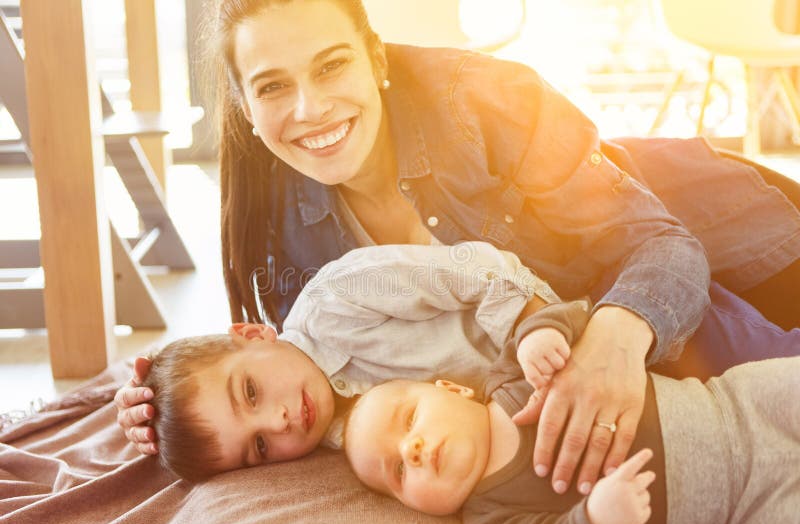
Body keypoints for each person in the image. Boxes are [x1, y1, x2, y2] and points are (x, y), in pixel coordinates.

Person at [118, 0, 800, 494]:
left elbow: (660, 243)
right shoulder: (284, 239)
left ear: (374, 57)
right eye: (272, 86)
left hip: (704, 244)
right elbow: (271, 375)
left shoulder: (484, 102)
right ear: (241, 102)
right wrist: (161, 409)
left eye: (331, 67)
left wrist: (612, 343)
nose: (310, 110)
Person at [120, 243, 800, 490]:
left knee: (771, 369)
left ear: (250, 332)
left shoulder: (336, 302)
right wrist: (153, 425)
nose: (279, 418)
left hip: (572, 334)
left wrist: (531, 329)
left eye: (249, 391)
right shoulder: (331, 440)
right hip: (637, 427)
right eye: (259, 447)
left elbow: (472, 272)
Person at [344, 356, 800, 524]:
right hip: (741, 510)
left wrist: (546, 333)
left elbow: (577, 322)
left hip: (738, 403)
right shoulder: (489, 519)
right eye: (399, 473)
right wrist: (594, 519)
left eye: (409, 419)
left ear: (452, 388)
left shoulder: (512, 377)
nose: (411, 450)